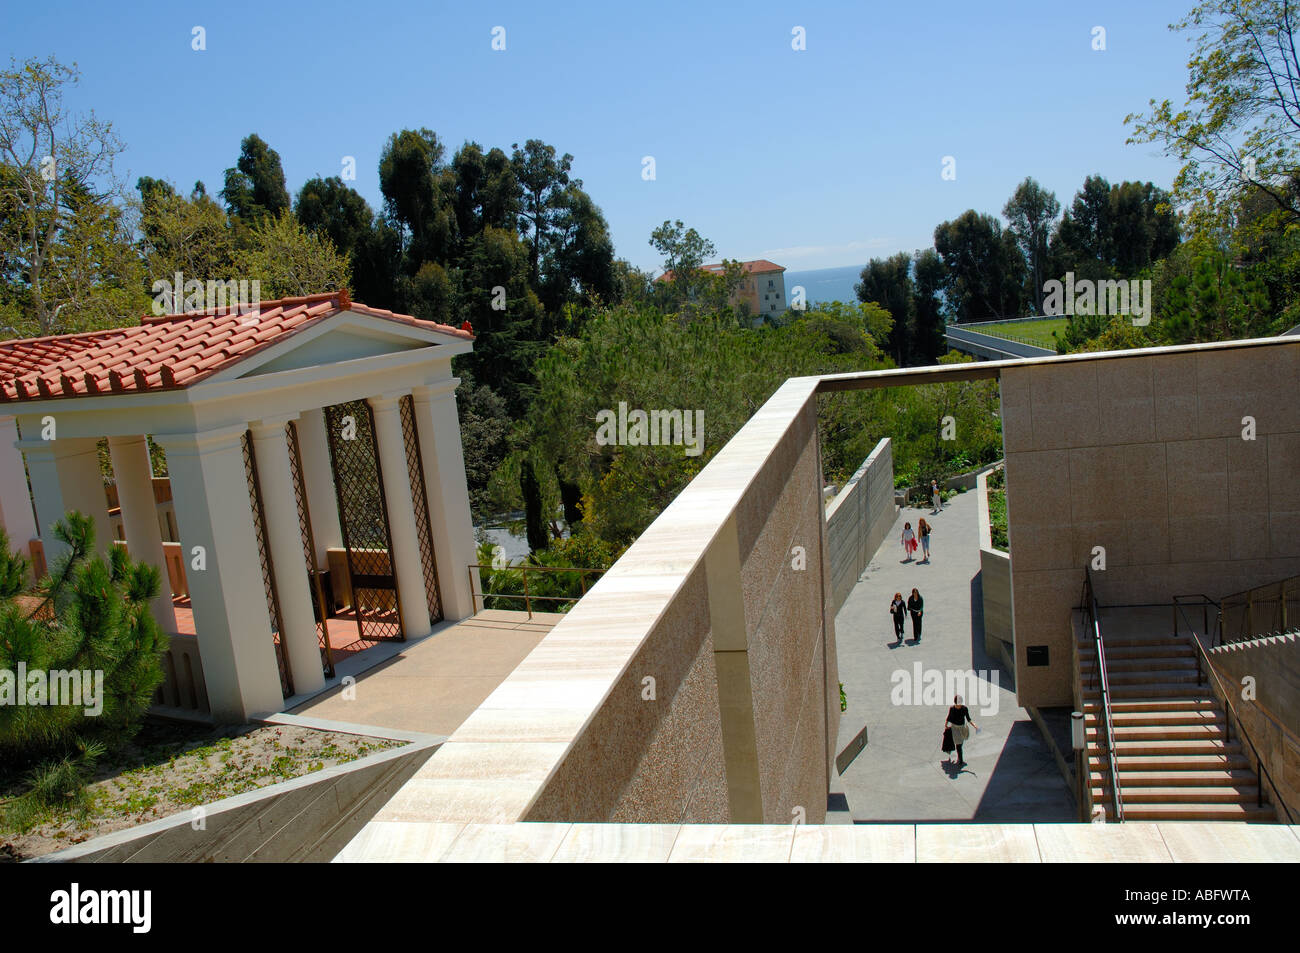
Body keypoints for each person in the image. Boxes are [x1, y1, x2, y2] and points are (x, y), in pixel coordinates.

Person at [945, 695, 978, 766]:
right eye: (957, 703)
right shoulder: (952, 708)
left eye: (960, 703)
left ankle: (960, 758)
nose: (958, 705)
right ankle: (961, 760)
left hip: (962, 728)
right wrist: (946, 725)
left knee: (960, 744)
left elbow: (968, 719)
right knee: (958, 745)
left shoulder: (964, 708)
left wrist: (975, 726)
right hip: (955, 729)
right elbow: (949, 718)